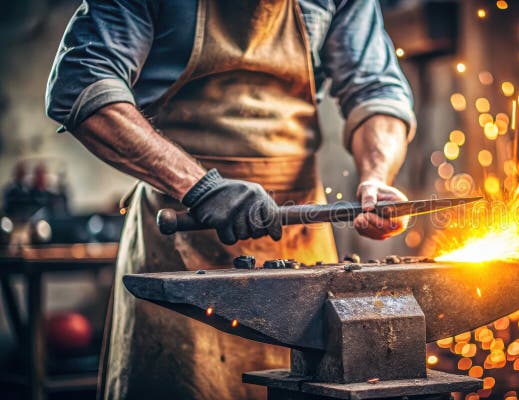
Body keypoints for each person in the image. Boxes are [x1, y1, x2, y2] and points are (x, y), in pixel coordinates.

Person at [45, 0, 415, 398]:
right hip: (177, 233)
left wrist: (376, 177)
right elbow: (81, 82)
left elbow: (377, 89)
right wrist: (200, 187)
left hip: (299, 244)